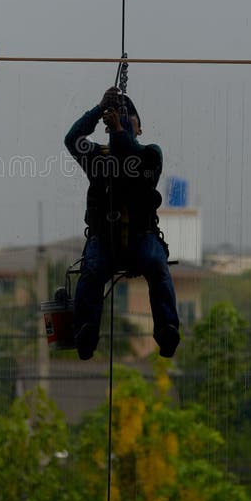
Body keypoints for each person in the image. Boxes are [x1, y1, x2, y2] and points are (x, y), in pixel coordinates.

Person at [64, 86, 180, 360]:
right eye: (119, 116)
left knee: (156, 265)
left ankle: (167, 329)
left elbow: (131, 161)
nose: (125, 121)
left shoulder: (151, 154)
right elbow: (72, 139)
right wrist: (98, 108)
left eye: (130, 118)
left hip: (142, 236)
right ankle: (85, 333)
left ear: (140, 129)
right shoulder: (98, 158)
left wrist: (117, 131)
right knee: (91, 272)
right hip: (105, 239)